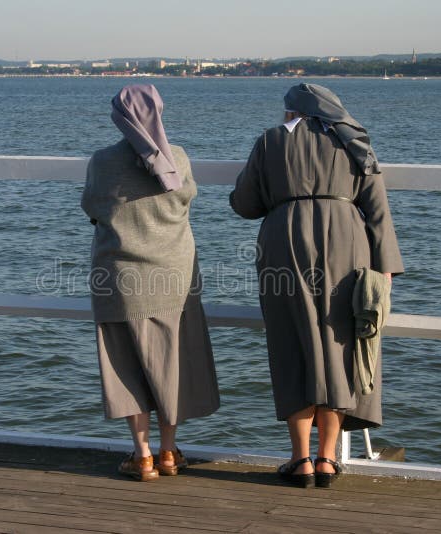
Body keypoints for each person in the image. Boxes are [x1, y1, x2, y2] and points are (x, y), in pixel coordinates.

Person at [229, 83, 404, 488]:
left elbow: (245, 204)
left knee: (292, 346)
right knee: (341, 346)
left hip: (284, 244)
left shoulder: (271, 141)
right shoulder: (353, 140)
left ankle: (300, 459)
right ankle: (327, 459)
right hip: (347, 246)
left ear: (293, 111)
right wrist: (386, 267)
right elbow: (377, 207)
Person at [82, 84, 220, 482]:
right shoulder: (176, 157)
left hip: (119, 276)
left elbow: (92, 207)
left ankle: (142, 456)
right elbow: (185, 198)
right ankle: (168, 451)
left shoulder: (102, 161)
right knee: (171, 362)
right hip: (174, 275)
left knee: (124, 363)